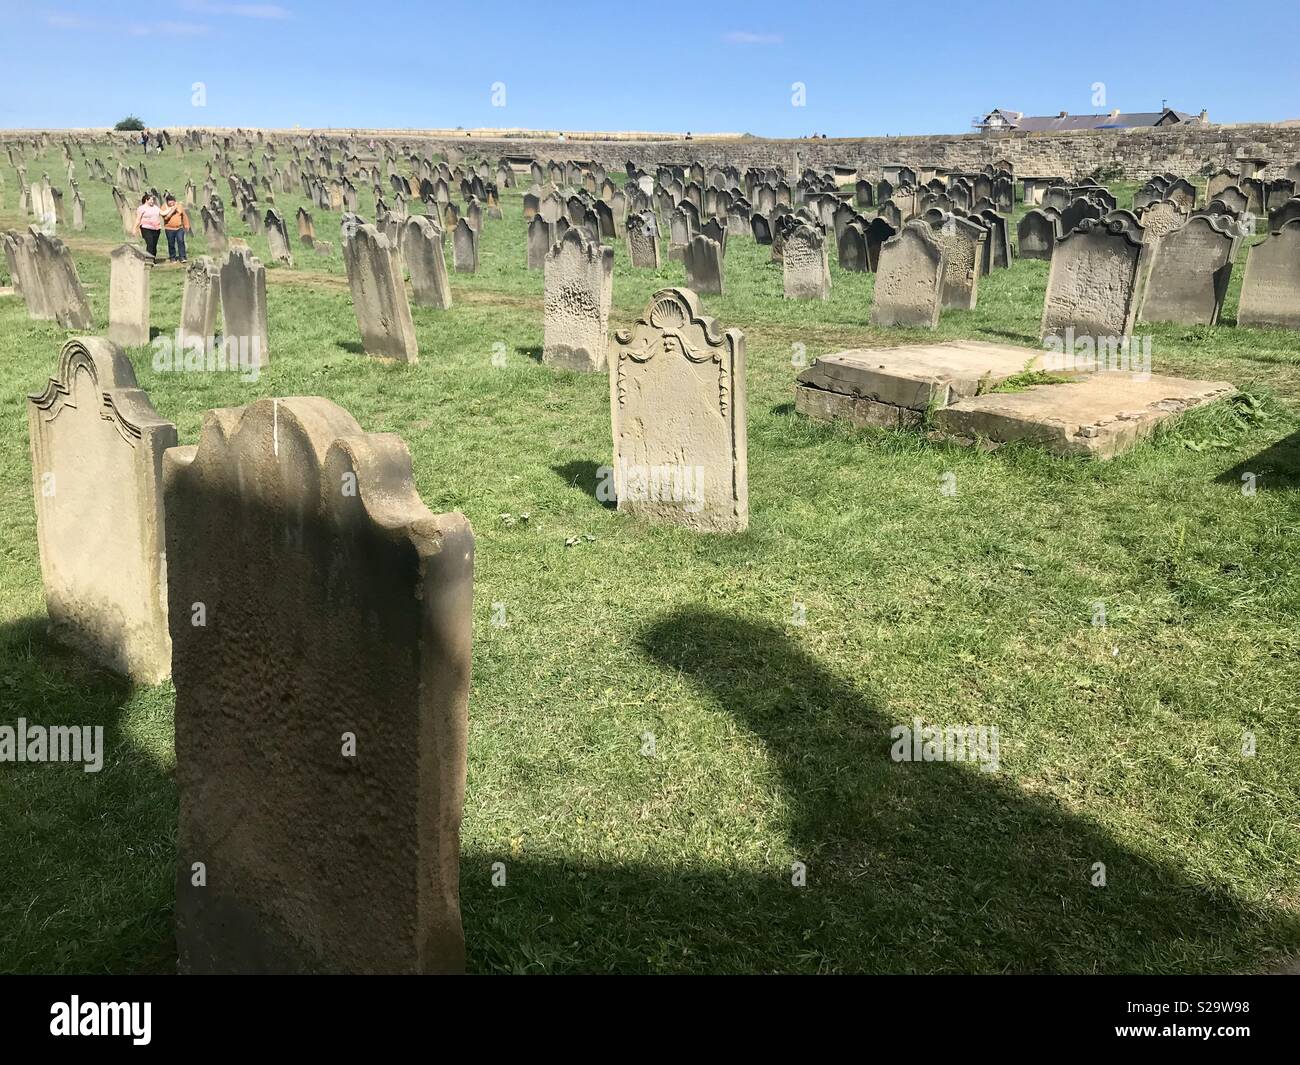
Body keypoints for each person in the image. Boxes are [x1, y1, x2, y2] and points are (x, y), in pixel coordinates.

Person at [134, 193, 162, 261]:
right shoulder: (141, 208)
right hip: (146, 228)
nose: (152, 201)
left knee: (154, 244)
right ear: (146, 200)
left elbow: (163, 213)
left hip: (156, 228)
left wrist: (171, 209)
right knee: (150, 243)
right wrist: (135, 228)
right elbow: (138, 219)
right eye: (151, 200)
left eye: (153, 200)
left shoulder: (156, 207)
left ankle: (153, 258)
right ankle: (149, 260)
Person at [161, 194, 189, 263]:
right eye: (170, 202)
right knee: (171, 243)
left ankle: (182, 256)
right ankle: (172, 257)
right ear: (167, 202)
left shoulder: (179, 206)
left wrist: (186, 225)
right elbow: (165, 218)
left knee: (181, 241)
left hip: (179, 228)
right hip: (169, 228)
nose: (172, 203)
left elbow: (184, 216)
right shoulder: (164, 207)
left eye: (173, 201)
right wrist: (172, 210)